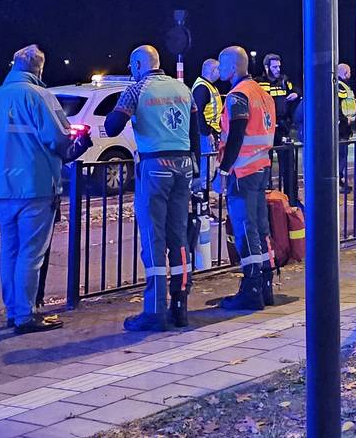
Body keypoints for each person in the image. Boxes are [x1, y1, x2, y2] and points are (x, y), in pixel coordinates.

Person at [0, 45, 91, 335]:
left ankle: (12, 311)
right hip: (36, 186)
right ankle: (26, 314)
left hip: (2, 188)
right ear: (39, 69)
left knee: (8, 250)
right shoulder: (40, 96)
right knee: (31, 253)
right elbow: (60, 141)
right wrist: (77, 143)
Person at [104, 45, 199, 330]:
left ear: (137, 64)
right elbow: (195, 131)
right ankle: (180, 307)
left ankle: (155, 310)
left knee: (153, 237)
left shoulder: (136, 90)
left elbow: (112, 126)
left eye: (131, 66)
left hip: (155, 166)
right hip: (184, 166)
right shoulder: (183, 88)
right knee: (179, 236)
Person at [214, 46, 277, 310]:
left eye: (221, 64)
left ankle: (251, 289)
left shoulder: (238, 95)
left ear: (233, 66)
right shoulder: (262, 93)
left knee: (244, 229)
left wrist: (223, 170)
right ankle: (265, 284)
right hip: (262, 167)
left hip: (243, 171)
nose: (219, 69)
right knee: (261, 228)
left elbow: (236, 135)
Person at [257, 53, 300, 205]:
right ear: (266, 67)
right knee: (265, 167)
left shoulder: (284, 80)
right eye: (274, 67)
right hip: (266, 129)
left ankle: (292, 199)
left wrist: (295, 93)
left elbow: (296, 90)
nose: (278, 69)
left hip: (282, 128)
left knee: (288, 167)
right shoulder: (259, 83)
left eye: (279, 67)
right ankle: (267, 200)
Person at [192, 58, 224, 190]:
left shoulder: (208, 86)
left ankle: (204, 192)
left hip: (210, 132)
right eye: (219, 69)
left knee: (210, 166)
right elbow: (198, 113)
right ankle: (202, 194)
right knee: (206, 166)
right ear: (213, 70)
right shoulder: (202, 88)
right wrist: (206, 132)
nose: (221, 72)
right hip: (205, 134)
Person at [336, 63, 356, 194]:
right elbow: (337, 106)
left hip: (344, 127)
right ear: (344, 72)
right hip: (341, 127)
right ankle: (337, 181)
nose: (350, 74)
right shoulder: (339, 86)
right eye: (349, 72)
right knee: (340, 156)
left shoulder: (344, 86)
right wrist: (344, 119)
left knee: (342, 155)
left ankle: (339, 180)